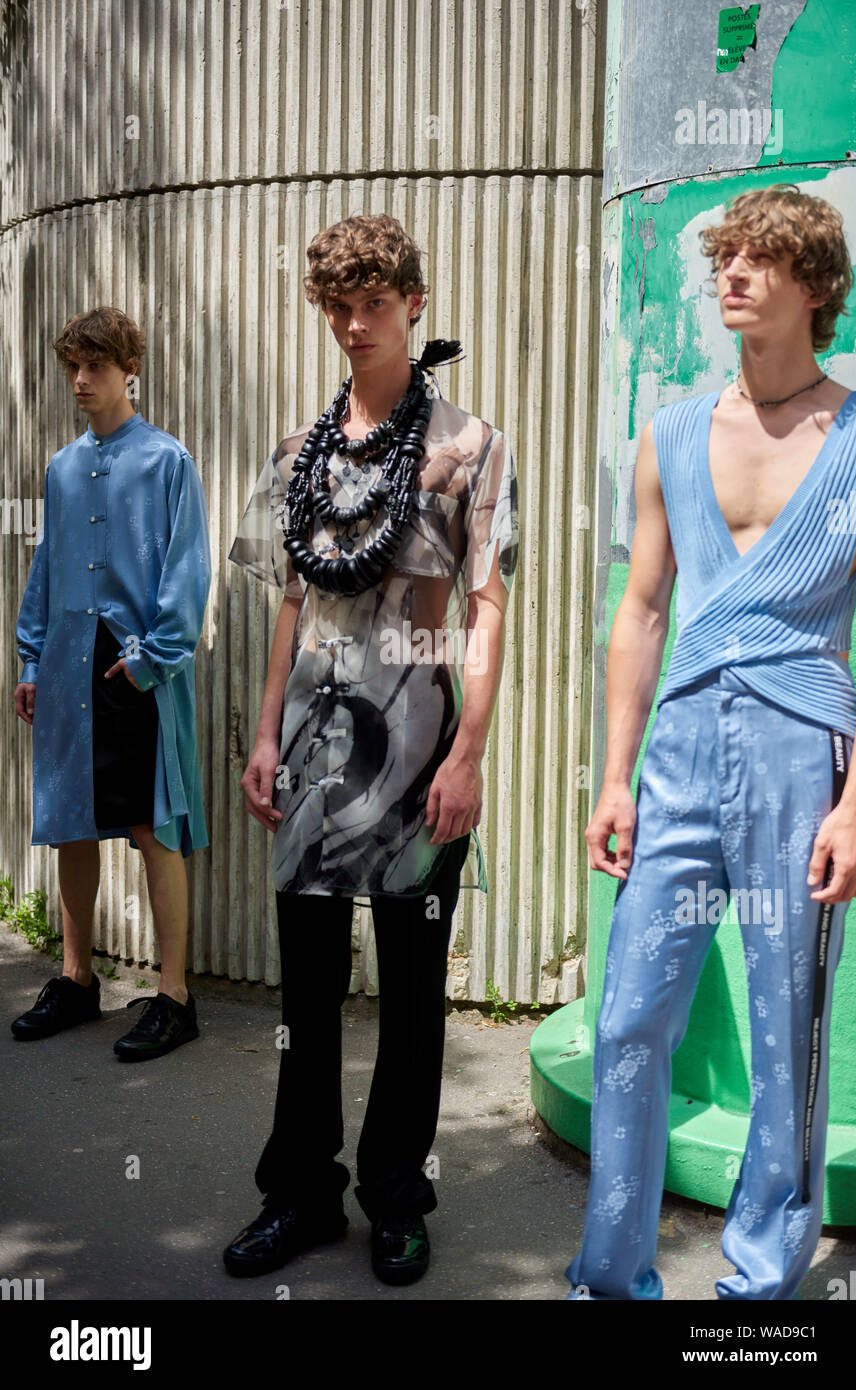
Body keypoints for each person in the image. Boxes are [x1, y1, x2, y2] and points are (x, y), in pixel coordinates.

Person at [566, 184, 856, 1300]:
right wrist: (614, 777)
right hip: (682, 747)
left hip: (803, 747)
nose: (730, 274)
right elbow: (641, 611)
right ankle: (610, 1276)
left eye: (760, 258)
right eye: (723, 257)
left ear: (817, 287)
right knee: (630, 1016)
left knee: (787, 1036)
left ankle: (757, 1289)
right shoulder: (675, 432)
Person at [223, 213, 518, 1286]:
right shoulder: (299, 458)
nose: (355, 324)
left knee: (412, 986)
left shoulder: (470, 448)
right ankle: (298, 1191)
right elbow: (290, 608)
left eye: (375, 304)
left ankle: (395, 1195)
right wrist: (263, 732)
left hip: (417, 751)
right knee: (304, 992)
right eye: (338, 306)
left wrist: (471, 751)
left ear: (414, 306)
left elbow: (485, 609)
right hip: (308, 748)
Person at [12, 307, 211, 1061]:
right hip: (66, 661)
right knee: (69, 820)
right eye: (73, 367)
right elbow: (46, 567)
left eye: (94, 367)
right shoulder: (62, 468)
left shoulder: (166, 460)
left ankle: (173, 995)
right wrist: (31, 661)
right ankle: (76, 978)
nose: (80, 381)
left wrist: (154, 658)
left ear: (130, 370)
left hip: (134, 667)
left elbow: (188, 570)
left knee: (150, 824)